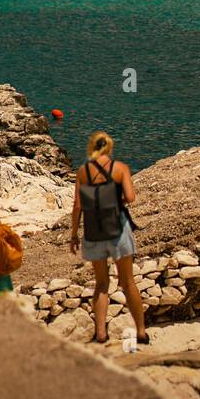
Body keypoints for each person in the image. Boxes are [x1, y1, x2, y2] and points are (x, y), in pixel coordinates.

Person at [71, 131, 148, 346]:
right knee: (127, 282)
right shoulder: (120, 168)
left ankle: (101, 334)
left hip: (93, 230)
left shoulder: (82, 172)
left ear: (92, 147)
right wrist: (113, 197)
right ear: (110, 147)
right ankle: (141, 332)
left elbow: (77, 206)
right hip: (118, 229)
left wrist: (73, 234)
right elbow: (130, 197)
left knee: (101, 284)